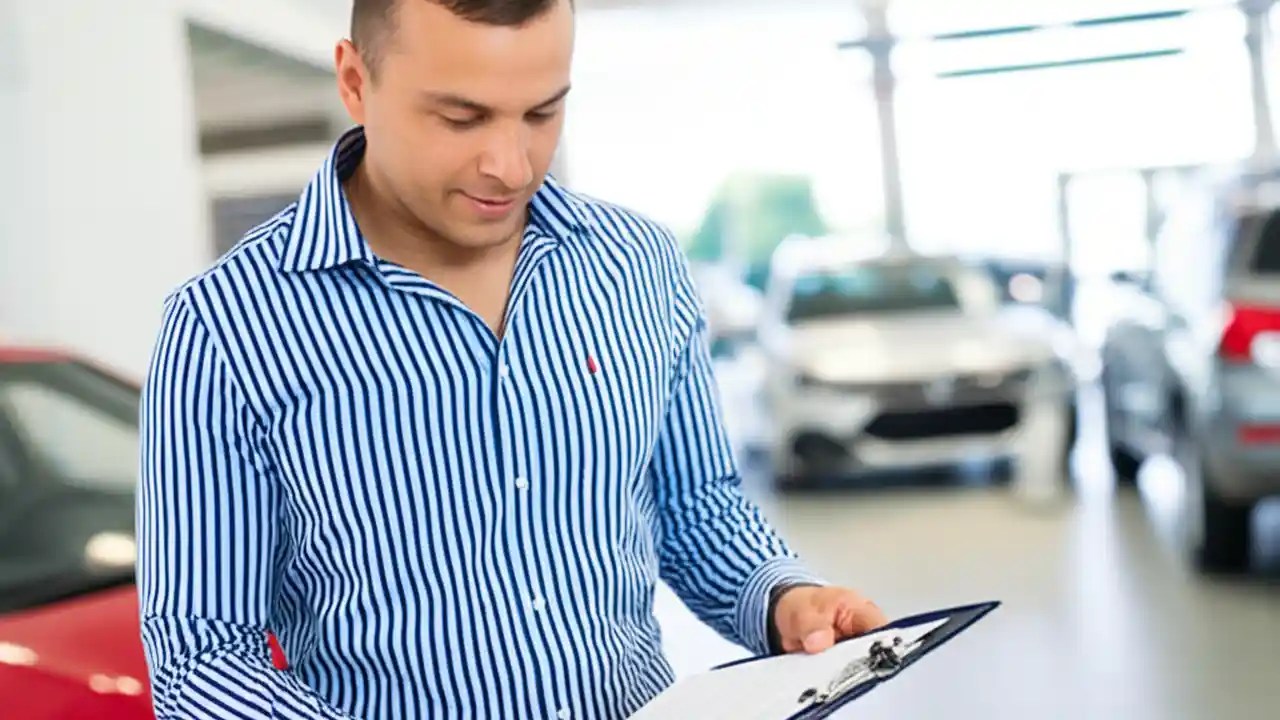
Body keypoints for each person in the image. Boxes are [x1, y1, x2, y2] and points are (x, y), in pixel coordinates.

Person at [136, 1, 888, 718]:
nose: (510, 165)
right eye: (461, 118)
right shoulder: (223, 330)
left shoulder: (638, 266)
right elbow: (202, 657)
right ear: (356, 81)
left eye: (542, 113)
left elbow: (697, 509)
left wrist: (784, 598)